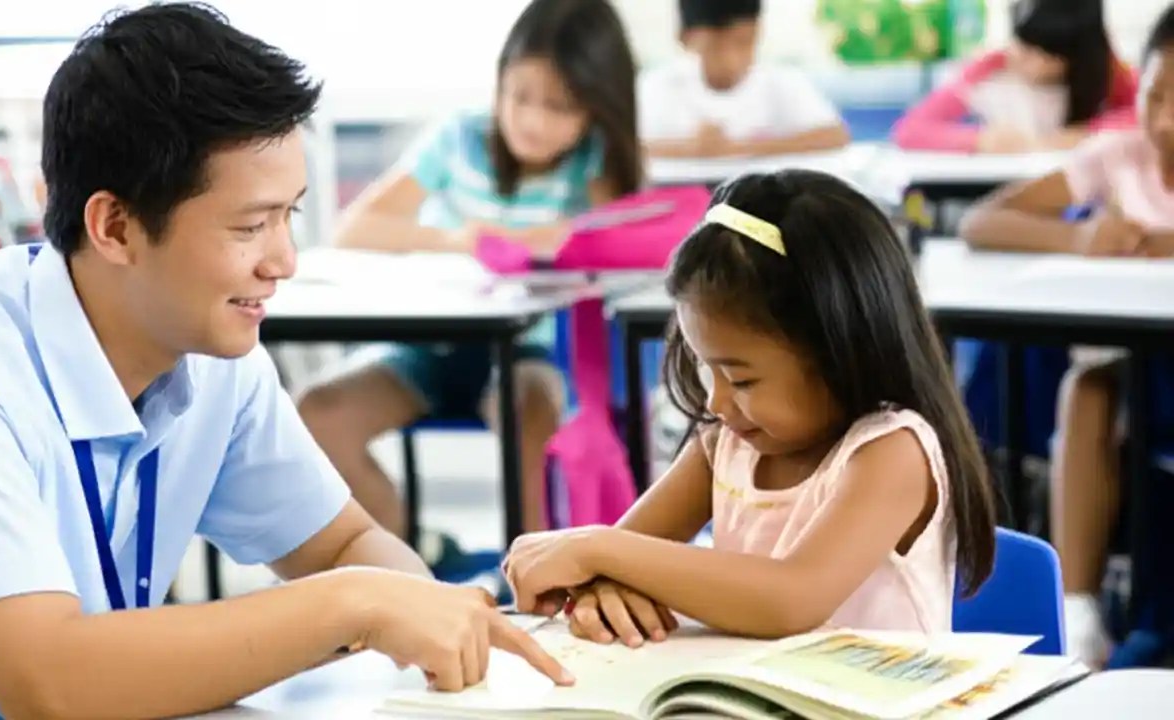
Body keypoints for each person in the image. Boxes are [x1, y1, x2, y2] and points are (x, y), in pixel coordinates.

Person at [0, 5, 571, 718]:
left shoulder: (212, 350)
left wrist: (434, 613)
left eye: (290, 216)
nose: (283, 261)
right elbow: (48, 683)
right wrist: (356, 603)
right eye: (251, 227)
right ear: (115, 226)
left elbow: (343, 542)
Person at [502, 170, 997, 643]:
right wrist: (602, 590)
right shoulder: (724, 448)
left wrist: (598, 548)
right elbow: (610, 570)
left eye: (741, 378)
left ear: (839, 351)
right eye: (703, 368)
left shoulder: (892, 452)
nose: (716, 403)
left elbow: (792, 598)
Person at [297, 0, 641, 555]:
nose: (531, 119)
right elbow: (355, 227)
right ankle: (410, 559)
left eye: (559, 106)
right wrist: (457, 241)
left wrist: (568, 237)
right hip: (423, 349)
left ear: (597, 110)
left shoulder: (594, 163)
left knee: (532, 414)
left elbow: (613, 248)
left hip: (523, 353)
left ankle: (532, 584)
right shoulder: (460, 139)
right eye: (519, 95)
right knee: (316, 413)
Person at [958, 3, 1174, 667]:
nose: (1163, 121)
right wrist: (1080, 236)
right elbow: (983, 221)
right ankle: (1075, 612)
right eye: (1155, 95)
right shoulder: (1119, 155)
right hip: (1137, 374)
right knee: (1088, 389)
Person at [893, 0, 1136, 154]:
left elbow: (1146, 116)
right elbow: (910, 131)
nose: (1018, 55)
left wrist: (1087, 134)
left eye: (1037, 52)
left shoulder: (1109, 72)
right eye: (1019, 41)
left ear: (1070, 59)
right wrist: (979, 140)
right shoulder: (990, 69)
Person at [638, 0, 850, 160]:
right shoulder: (658, 86)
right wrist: (690, 148)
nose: (732, 59)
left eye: (744, 43)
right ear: (685, 39)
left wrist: (738, 148)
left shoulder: (780, 81)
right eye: (715, 47)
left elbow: (834, 135)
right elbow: (627, 148)